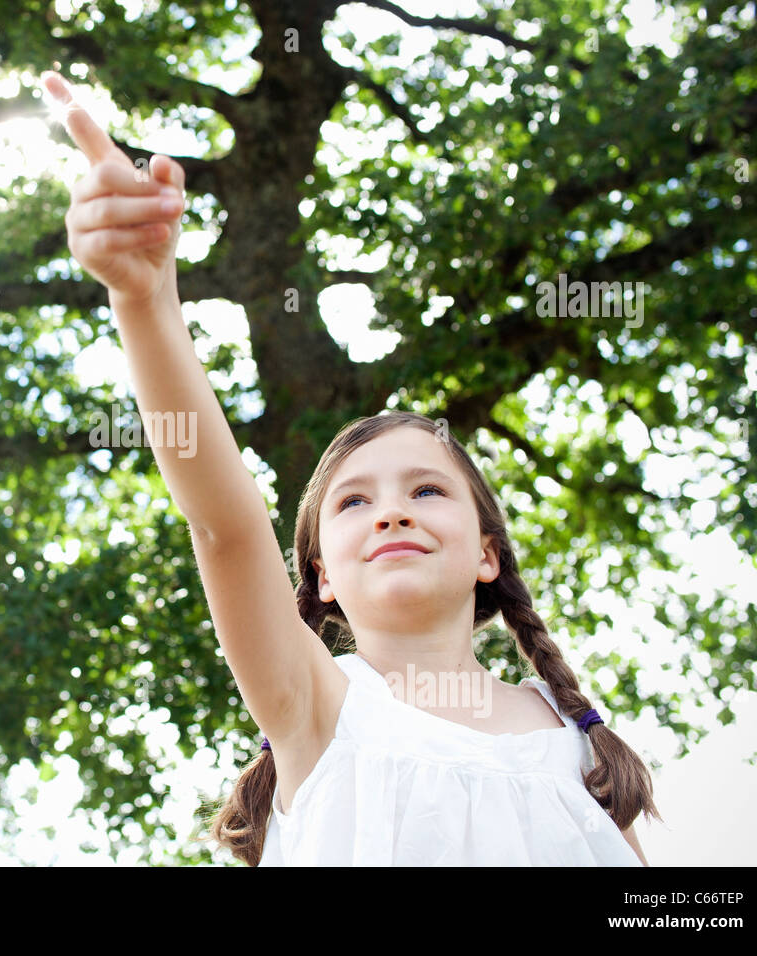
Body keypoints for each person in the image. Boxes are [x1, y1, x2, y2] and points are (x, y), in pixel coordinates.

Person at [41, 70, 661, 866]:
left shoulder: (575, 737)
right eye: (353, 503)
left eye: (427, 490)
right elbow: (224, 526)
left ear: (486, 553)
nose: (392, 512)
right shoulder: (317, 706)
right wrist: (147, 301)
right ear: (321, 575)